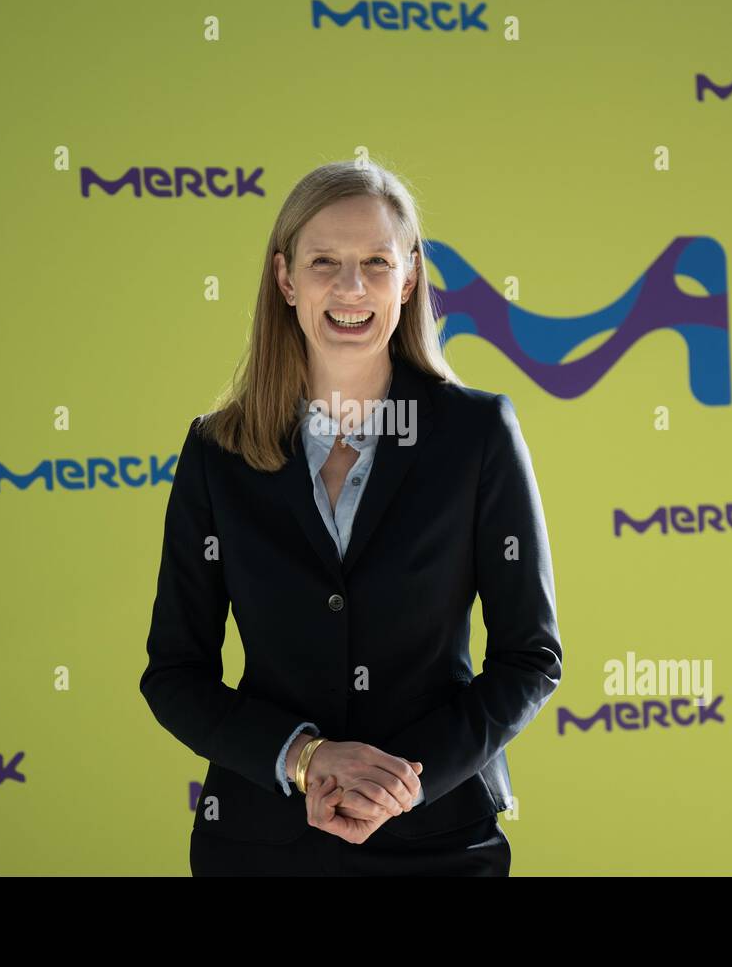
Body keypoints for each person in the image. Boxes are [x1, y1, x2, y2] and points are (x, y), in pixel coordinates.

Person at [139, 159, 562, 876]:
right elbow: (175, 673)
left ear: (408, 278)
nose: (350, 287)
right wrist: (304, 758)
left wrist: (404, 781)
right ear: (285, 279)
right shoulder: (216, 451)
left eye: (375, 262)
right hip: (257, 848)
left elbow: (530, 658)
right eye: (324, 262)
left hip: (440, 843)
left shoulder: (478, 434)